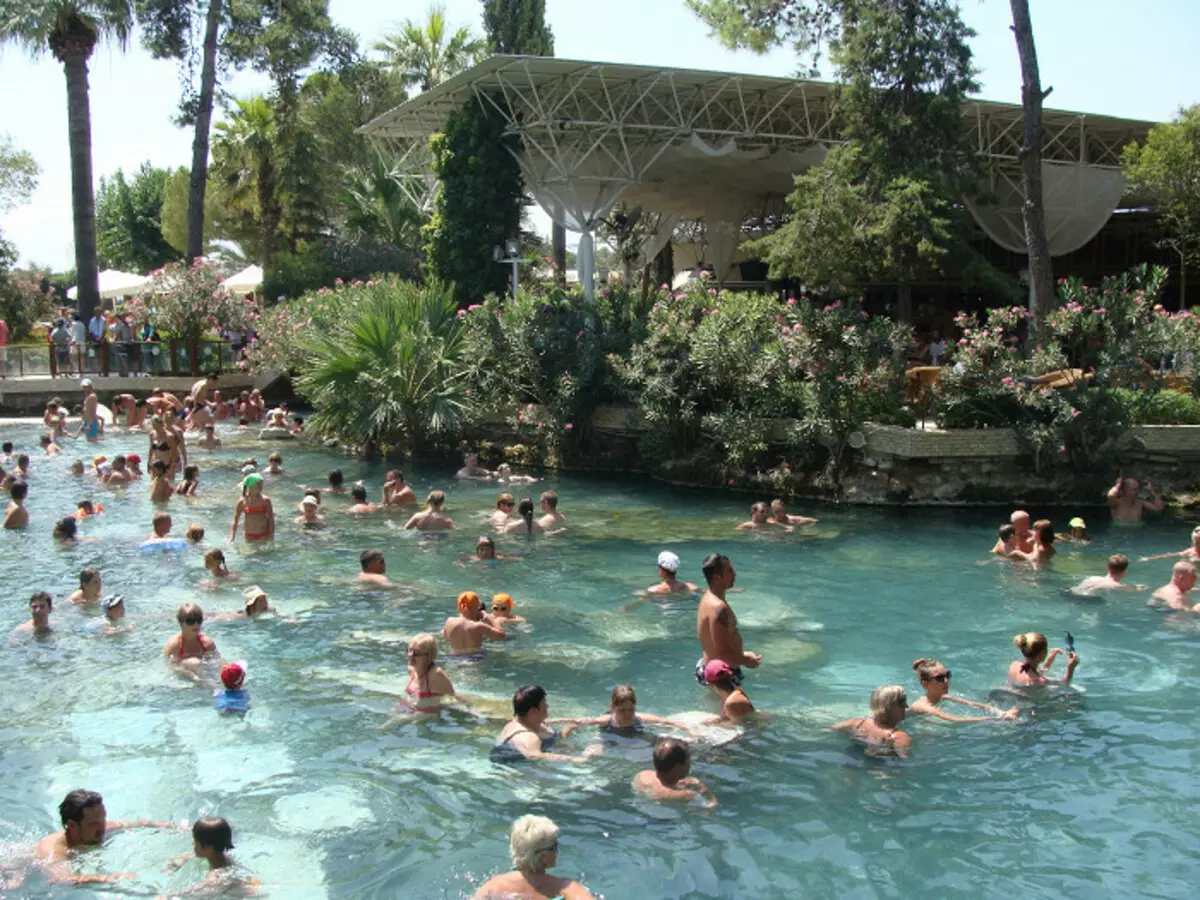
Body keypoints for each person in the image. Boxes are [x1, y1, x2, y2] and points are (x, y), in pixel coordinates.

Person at [34, 789, 173, 885]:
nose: (103, 827)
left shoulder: (100, 827)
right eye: (93, 823)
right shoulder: (53, 850)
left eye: (103, 819)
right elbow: (60, 879)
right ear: (72, 825)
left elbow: (139, 823)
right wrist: (105, 878)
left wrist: (174, 827)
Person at [471, 814, 596, 900]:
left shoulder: (493, 885)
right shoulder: (565, 887)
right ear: (543, 857)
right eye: (554, 846)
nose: (557, 851)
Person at [696, 553, 760, 686]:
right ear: (717, 577)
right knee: (735, 707)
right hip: (721, 676)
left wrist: (742, 654)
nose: (735, 574)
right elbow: (722, 652)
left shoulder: (708, 597)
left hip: (711, 670)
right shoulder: (719, 608)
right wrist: (747, 660)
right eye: (730, 571)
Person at [491, 685, 601, 764]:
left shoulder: (521, 720)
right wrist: (573, 759)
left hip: (534, 749)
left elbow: (545, 722)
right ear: (533, 711)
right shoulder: (528, 737)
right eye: (544, 703)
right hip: (519, 771)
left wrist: (571, 720)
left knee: (568, 731)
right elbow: (535, 756)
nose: (547, 706)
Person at [553, 684, 688, 739]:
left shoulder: (638, 718)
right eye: (622, 710)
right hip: (609, 738)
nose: (628, 714)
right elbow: (575, 722)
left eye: (631, 709)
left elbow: (667, 722)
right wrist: (565, 730)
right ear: (613, 707)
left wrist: (689, 730)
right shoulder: (607, 720)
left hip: (634, 736)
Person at [909, 658, 1017, 722]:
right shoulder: (923, 706)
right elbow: (956, 720)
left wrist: (1002, 712)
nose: (946, 681)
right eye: (939, 678)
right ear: (925, 684)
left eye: (947, 675)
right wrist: (998, 719)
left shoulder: (943, 696)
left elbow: (974, 704)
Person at [632, 738, 717, 807]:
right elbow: (711, 806)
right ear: (678, 767)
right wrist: (702, 788)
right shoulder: (687, 795)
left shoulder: (643, 775)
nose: (690, 763)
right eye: (688, 760)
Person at [831, 685, 913, 757]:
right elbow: (905, 757)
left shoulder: (856, 723)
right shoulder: (899, 737)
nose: (906, 706)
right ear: (890, 707)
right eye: (903, 702)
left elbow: (830, 729)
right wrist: (886, 752)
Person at [397, 633, 455, 715]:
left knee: (390, 725)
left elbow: (453, 696)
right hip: (410, 710)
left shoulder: (436, 674)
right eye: (409, 650)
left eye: (416, 653)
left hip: (427, 715)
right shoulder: (412, 669)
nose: (410, 656)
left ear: (429, 656)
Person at [443, 590, 506, 658]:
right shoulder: (478, 626)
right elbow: (501, 636)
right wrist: (486, 616)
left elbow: (446, 639)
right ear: (477, 608)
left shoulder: (449, 621)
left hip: (453, 658)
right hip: (474, 659)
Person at [1009, 632, 1080, 686]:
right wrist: (1071, 668)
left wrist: (1051, 656)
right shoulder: (1039, 681)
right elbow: (1065, 683)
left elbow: (1038, 672)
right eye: (1046, 651)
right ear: (1040, 655)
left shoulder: (1014, 665)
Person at [163, 603, 218, 673]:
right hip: (184, 672)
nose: (196, 624)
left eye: (199, 620)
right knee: (195, 663)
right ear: (181, 623)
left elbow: (216, 661)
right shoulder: (174, 645)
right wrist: (190, 674)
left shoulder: (207, 642)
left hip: (202, 670)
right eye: (190, 621)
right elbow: (170, 667)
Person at [701, 659, 755, 724]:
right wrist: (719, 720)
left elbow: (740, 726)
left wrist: (712, 725)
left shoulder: (731, 702)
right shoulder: (735, 693)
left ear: (710, 684)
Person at [230, 473, 274, 542]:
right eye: (258, 484)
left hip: (264, 534)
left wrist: (271, 536)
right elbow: (236, 520)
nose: (261, 486)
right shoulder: (242, 501)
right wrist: (232, 537)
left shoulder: (266, 500)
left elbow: (271, 519)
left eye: (261, 484)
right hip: (249, 535)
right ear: (251, 485)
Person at [1073, 554, 1146, 594]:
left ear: (1107, 567)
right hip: (1088, 602)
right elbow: (1134, 592)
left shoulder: (1092, 578)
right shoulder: (1118, 586)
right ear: (1124, 571)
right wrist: (1141, 588)